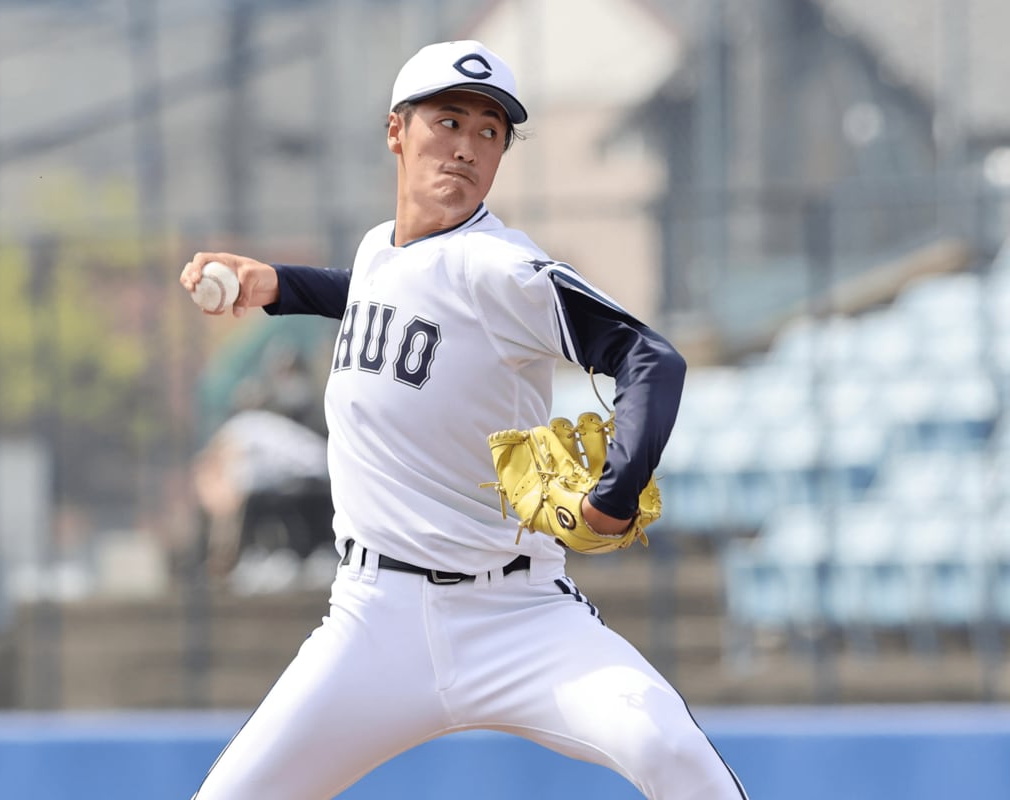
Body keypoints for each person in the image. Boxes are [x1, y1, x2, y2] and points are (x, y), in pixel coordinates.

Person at [180, 39, 748, 800]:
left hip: (517, 615)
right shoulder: (382, 250)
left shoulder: (502, 268)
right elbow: (384, 290)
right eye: (448, 121)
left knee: (667, 747)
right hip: (375, 621)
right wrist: (279, 285)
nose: (468, 147)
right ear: (396, 131)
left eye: (490, 132)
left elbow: (651, 358)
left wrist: (613, 497)